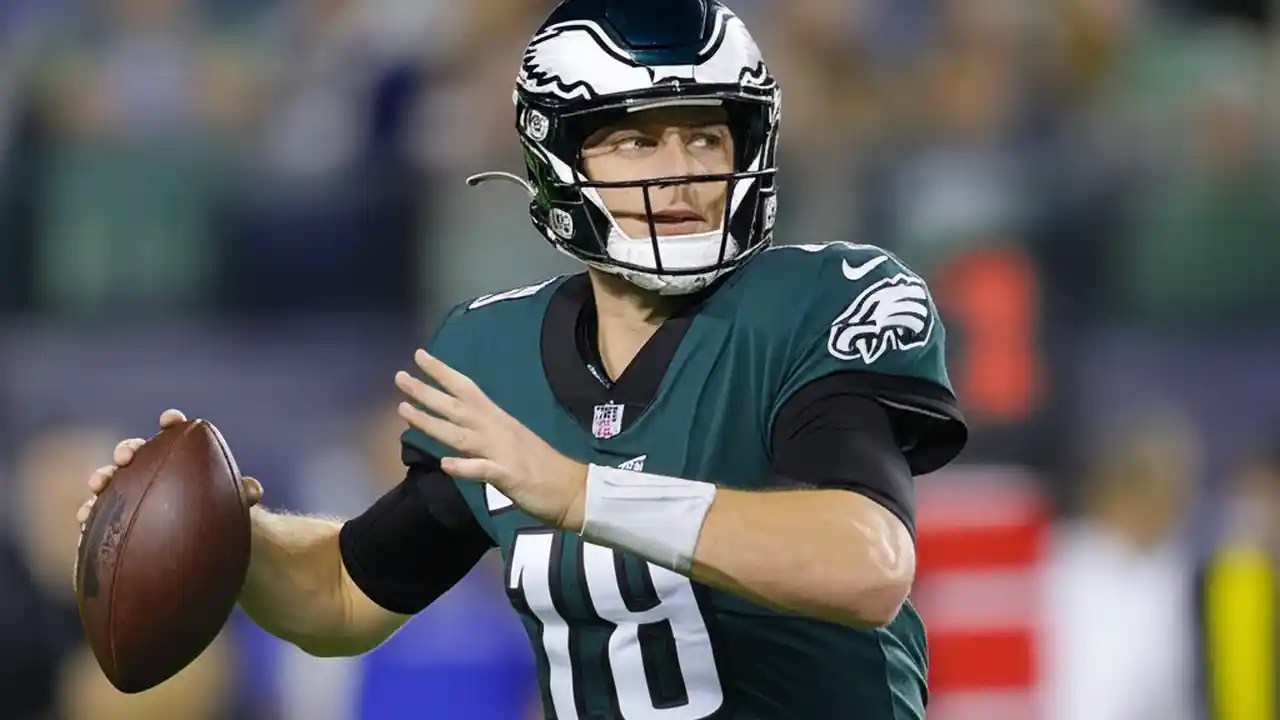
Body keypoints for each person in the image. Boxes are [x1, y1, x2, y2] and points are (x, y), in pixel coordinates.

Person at [76, 0, 967, 717]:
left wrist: (583, 493)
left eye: (707, 134)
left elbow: (867, 565)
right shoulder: (494, 353)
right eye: (637, 139)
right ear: (557, 159)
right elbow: (347, 595)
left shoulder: (813, 305)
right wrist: (223, 534)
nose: (684, 170)